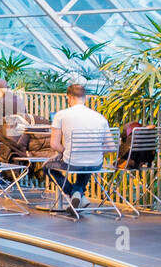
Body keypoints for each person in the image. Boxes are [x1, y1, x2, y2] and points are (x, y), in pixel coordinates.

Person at [46, 83, 115, 211]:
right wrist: (94, 150)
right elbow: (111, 146)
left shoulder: (61, 115)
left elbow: (54, 144)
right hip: (95, 163)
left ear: (69, 98)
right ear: (86, 98)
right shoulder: (100, 117)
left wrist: (65, 152)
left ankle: (74, 193)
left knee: (47, 167)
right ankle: (79, 194)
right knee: (87, 163)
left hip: (72, 161)